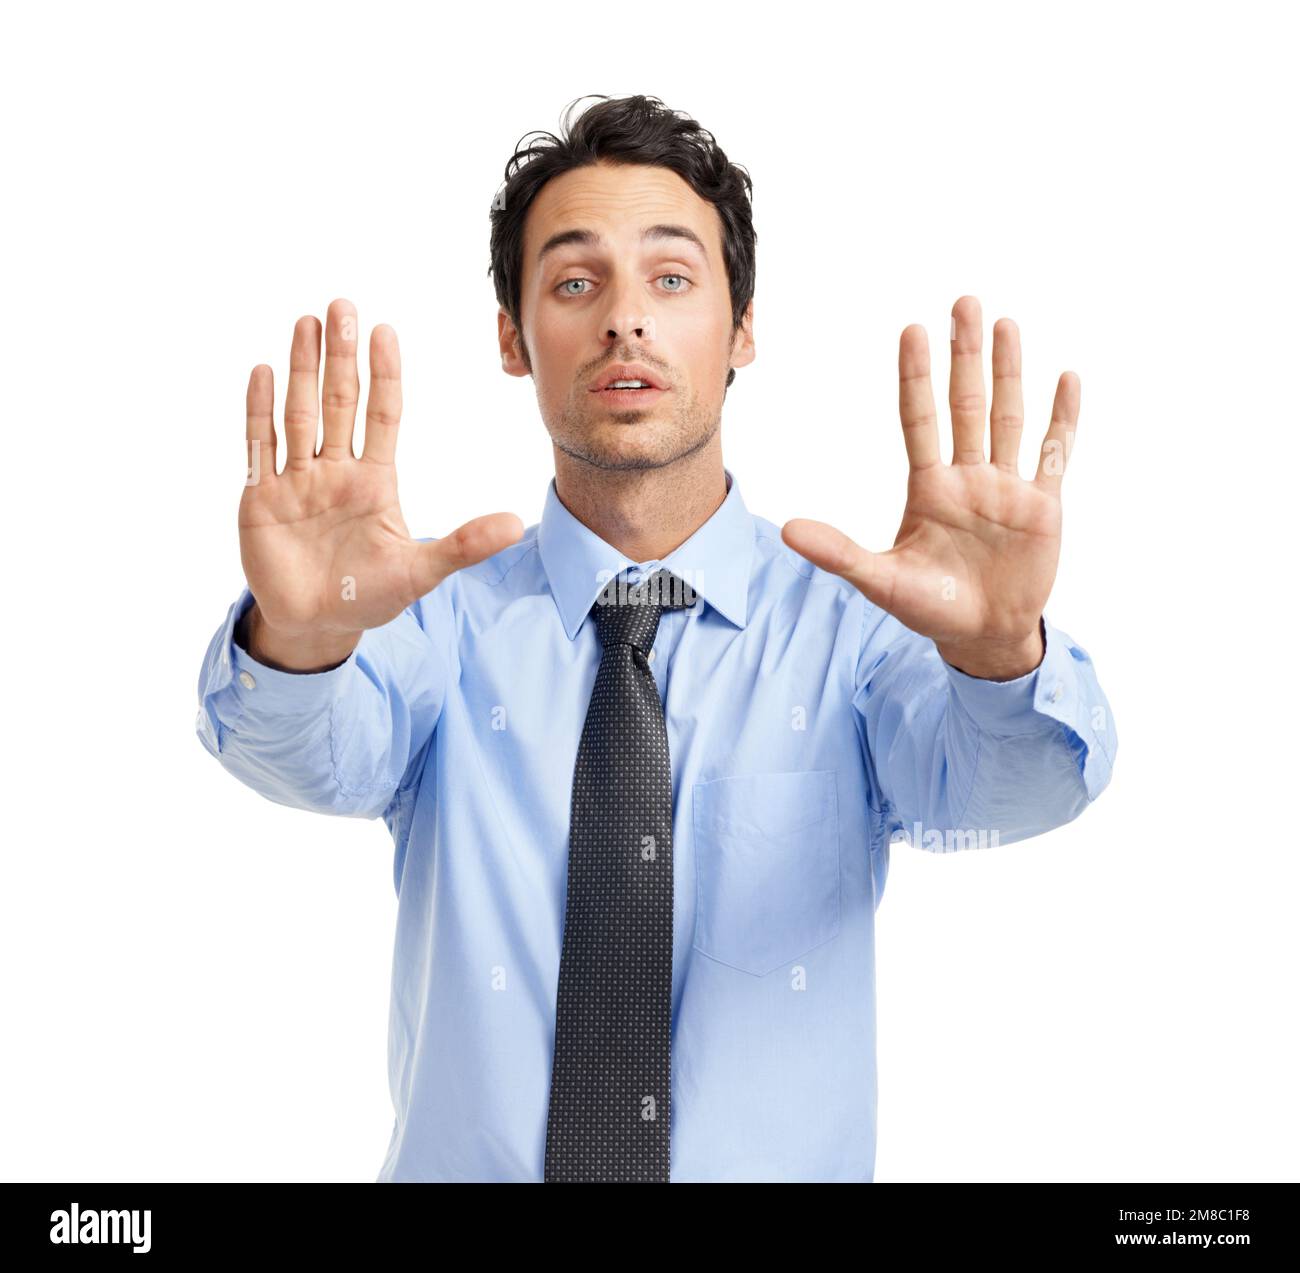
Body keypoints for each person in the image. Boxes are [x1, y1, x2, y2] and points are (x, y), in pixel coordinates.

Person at [195, 94, 1117, 1183]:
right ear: (511, 337)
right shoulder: (431, 621)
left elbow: (1012, 791)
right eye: (574, 282)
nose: (624, 319)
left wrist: (1000, 653)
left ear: (742, 329)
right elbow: (303, 754)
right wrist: (300, 637)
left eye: (671, 279)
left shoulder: (854, 631)